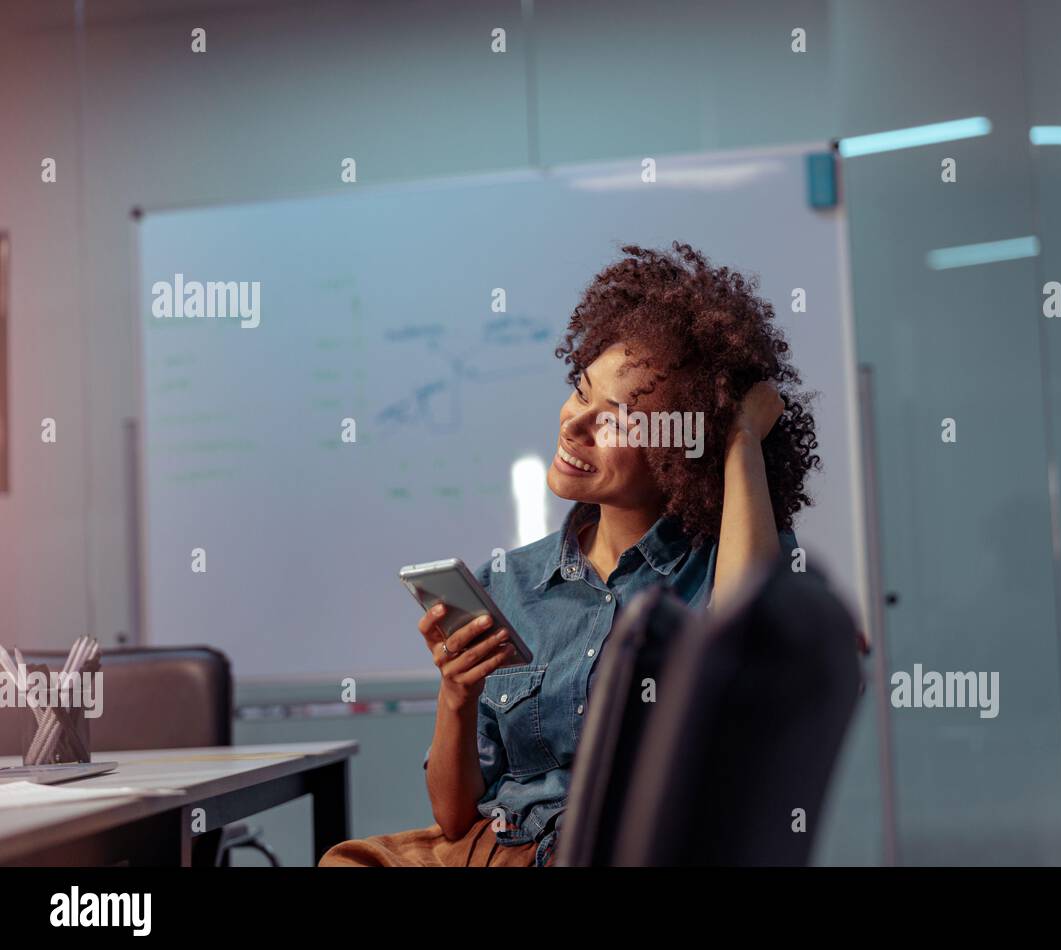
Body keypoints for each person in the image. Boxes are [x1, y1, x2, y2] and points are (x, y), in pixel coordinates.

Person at [319, 241, 820, 867]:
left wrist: (738, 438)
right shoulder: (511, 580)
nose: (574, 426)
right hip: (507, 849)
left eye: (613, 420)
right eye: (580, 393)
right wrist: (455, 694)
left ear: (681, 451)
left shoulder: (731, 563)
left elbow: (755, 635)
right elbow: (451, 818)